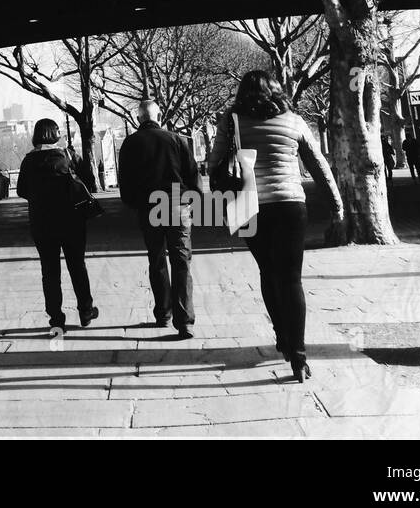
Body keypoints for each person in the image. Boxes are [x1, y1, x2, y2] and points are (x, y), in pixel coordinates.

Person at [207, 71, 345, 383]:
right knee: (291, 279)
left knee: (268, 272)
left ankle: (281, 336)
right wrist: (336, 204)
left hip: (248, 207)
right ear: (276, 90)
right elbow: (318, 164)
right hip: (290, 204)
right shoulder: (294, 120)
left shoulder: (231, 120)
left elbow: (214, 164)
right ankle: (298, 355)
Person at [117, 100, 199, 340]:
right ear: (159, 115)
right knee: (181, 261)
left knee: (157, 259)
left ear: (139, 119)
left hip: (149, 207)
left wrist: (135, 204)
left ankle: (163, 313)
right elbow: (192, 176)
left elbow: (126, 183)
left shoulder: (130, 143)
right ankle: (185, 322)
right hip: (177, 204)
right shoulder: (177, 140)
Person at [17, 118, 97, 335]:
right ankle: (86, 310)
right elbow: (88, 180)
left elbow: (21, 190)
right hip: (72, 220)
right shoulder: (68, 155)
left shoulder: (28, 161)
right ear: (55, 134)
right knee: (77, 265)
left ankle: (56, 318)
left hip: (42, 223)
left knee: (50, 271)